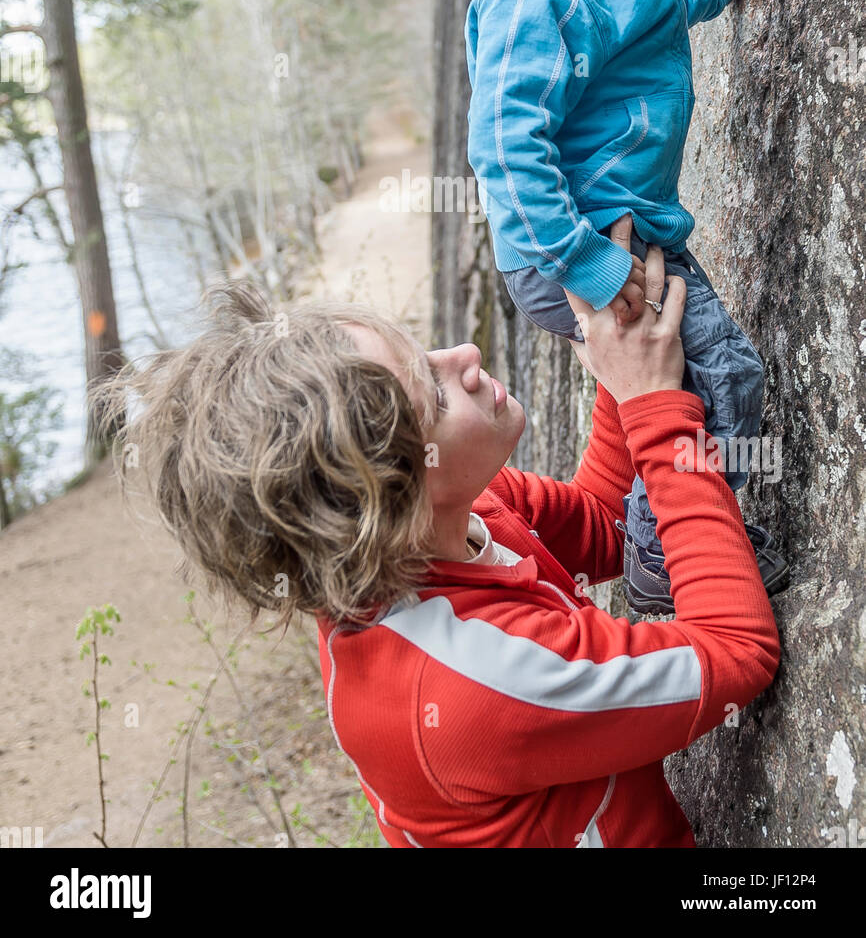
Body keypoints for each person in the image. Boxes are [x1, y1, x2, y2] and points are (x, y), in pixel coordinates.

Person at [99, 219, 781, 849]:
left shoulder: (454, 521)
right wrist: (653, 405)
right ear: (386, 500)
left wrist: (621, 369)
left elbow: (606, 526)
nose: (466, 353)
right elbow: (736, 653)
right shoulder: (468, 687)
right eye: (433, 390)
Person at [464, 0, 788, 611]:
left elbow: (665, 1)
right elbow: (503, 148)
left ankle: (673, 530)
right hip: (574, 247)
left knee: (712, 374)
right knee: (718, 374)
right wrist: (595, 267)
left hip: (621, 240)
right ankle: (664, 559)